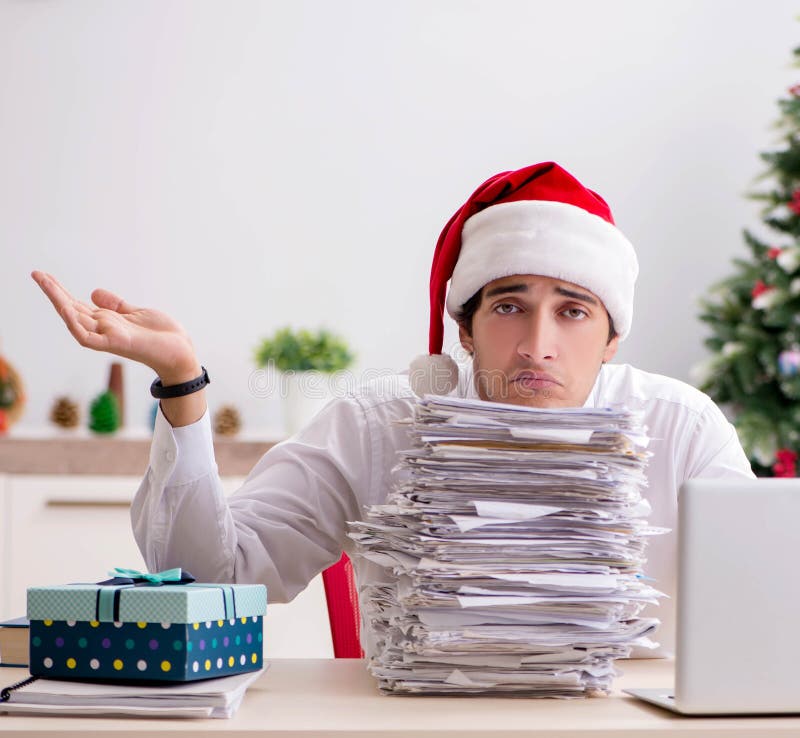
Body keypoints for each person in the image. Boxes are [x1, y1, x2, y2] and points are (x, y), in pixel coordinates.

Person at [32, 161, 754, 658]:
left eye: (572, 311)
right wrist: (183, 388)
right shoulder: (380, 424)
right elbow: (214, 576)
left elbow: (761, 605)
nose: (539, 345)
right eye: (509, 307)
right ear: (463, 330)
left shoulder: (681, 429)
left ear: (613, 336)